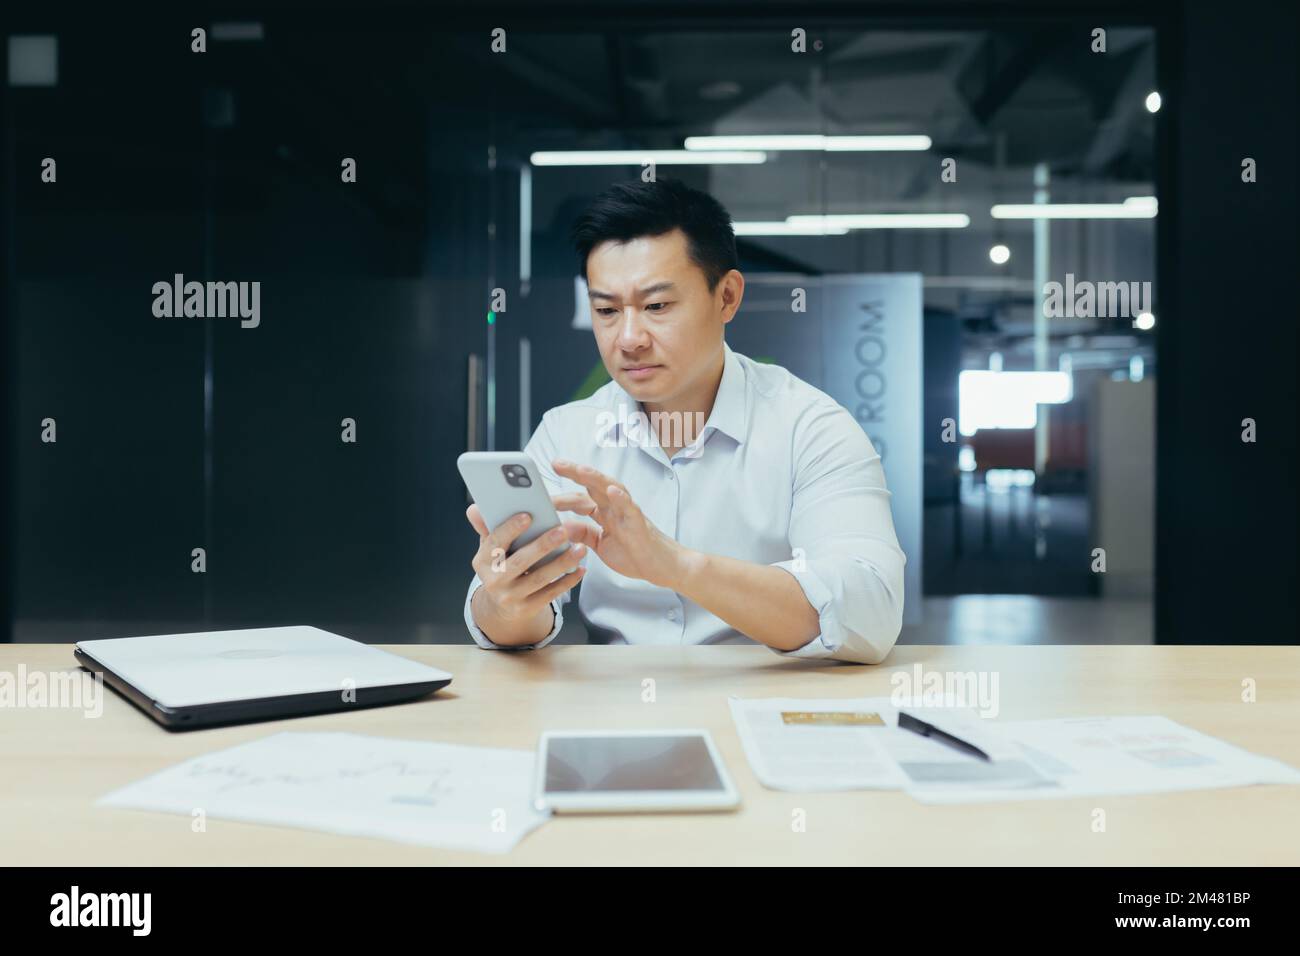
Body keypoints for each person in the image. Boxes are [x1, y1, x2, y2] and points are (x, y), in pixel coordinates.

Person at [463, 178, 905, 663]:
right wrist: (504, 601)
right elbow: (516, 626)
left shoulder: (810, 427)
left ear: (727, 297)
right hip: (615, 711)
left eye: (657, 306)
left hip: (767, 706)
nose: (629, 338)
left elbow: (871, 612)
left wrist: (678, 566)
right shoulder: (567, 433)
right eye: (607, 310)